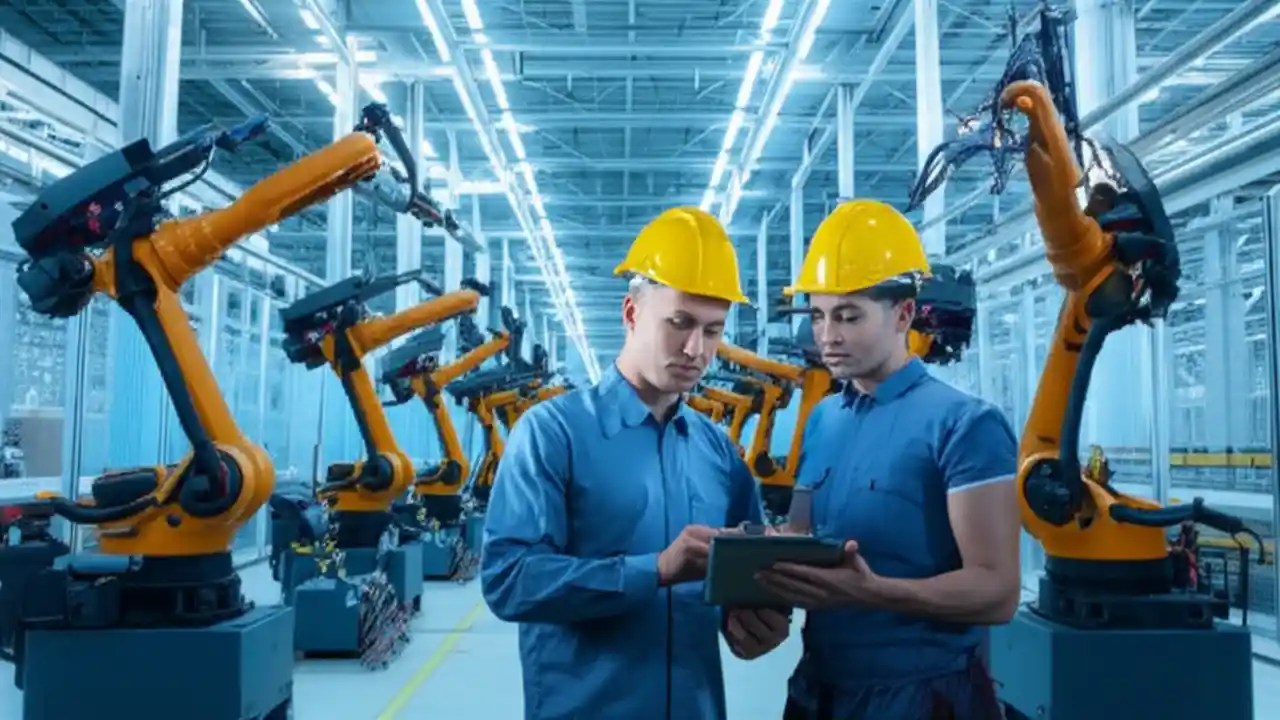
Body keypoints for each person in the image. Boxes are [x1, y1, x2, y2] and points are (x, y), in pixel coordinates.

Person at [480, 206, 792, 720]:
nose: (697, 349)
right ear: (631, 313)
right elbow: (510, 579)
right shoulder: (552, 433)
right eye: (680, 323)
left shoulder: (717, 451)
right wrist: (656, 570)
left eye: (713, 331)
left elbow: (745, 580)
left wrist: (759, 620)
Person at [754, 199, 1022, 719]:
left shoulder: (965, 425)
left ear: (903, 314)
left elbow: (997, 590)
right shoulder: (824, 419)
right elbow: (801, 536)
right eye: (818, 315)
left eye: (848, 316)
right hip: (820, 689)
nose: (827, 336)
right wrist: (754, 559)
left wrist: (875, 593)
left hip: (922, 696)